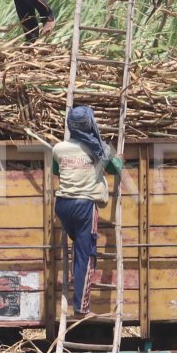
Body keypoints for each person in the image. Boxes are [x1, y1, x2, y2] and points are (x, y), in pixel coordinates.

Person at [51, 106, 123, 316]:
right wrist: (117, 157)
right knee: (85, 256)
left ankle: (77, 277)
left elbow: (57, 171)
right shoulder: (99, 149)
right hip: (84, 207)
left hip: (63, 206)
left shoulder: (58, 148)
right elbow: (116, 169)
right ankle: (81, 308)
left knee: (78, 252)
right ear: (90, 124)